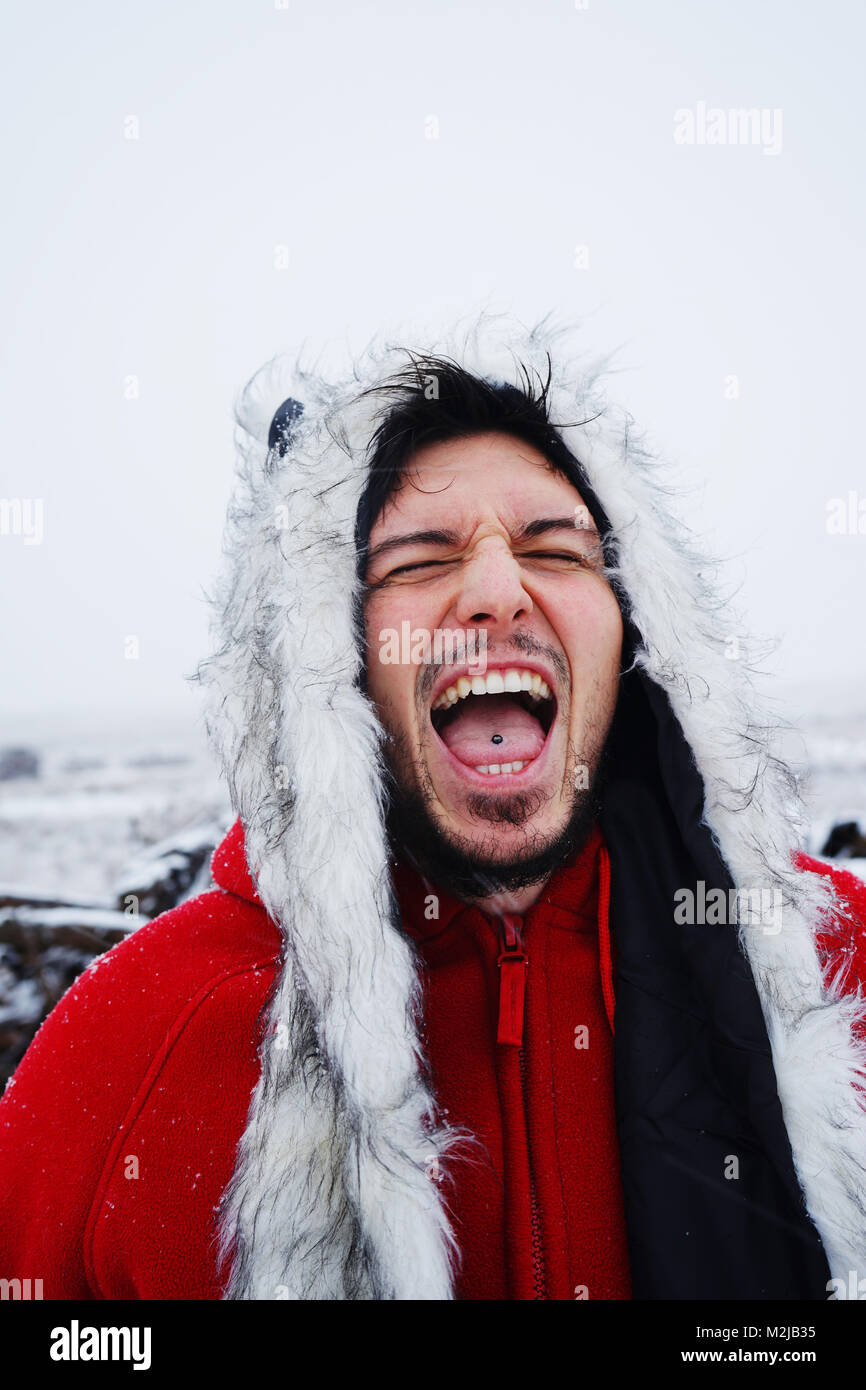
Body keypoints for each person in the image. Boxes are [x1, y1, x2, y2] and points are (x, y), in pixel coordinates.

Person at [1, 312, 865, 1301]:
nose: (498, 590)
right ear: (325, 656)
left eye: (555, 550)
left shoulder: (834, 968)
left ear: (635, 633)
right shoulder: (127, 1045)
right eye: (416, 560)